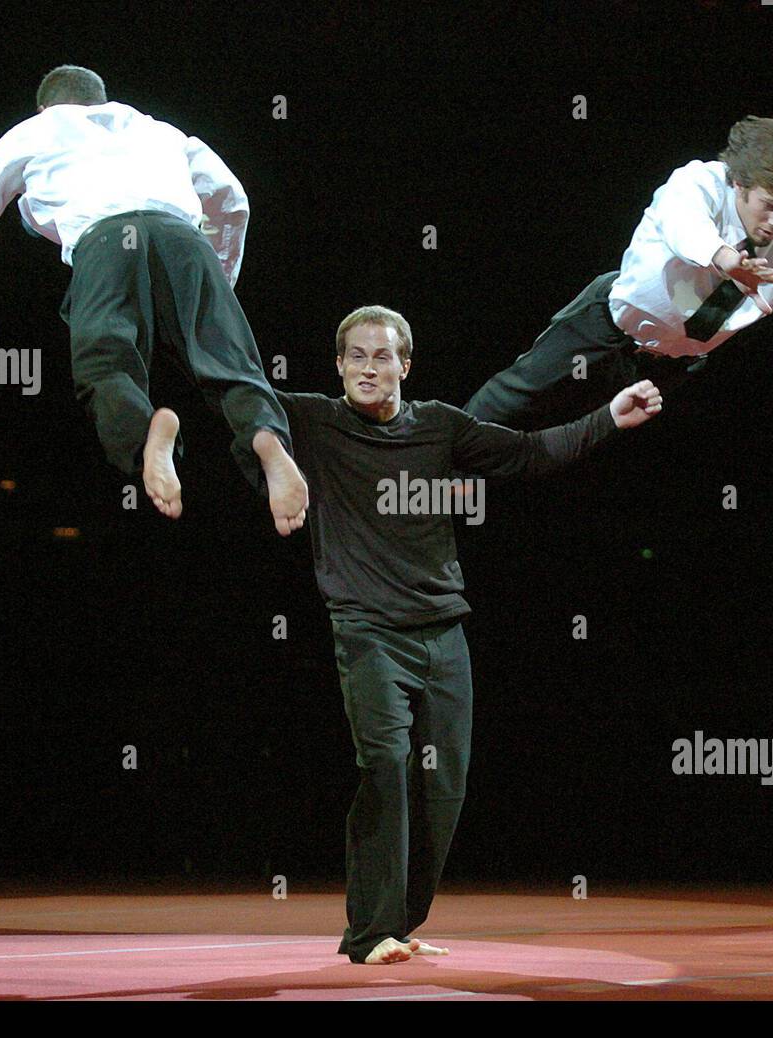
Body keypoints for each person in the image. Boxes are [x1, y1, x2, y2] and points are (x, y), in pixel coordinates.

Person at [276, 305, 662, 964]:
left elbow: (531, 452)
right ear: (338, 365)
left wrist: (609, 417)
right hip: (366, 628)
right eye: (358, 356)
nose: (371, 367)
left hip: (442, 631)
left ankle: (398, 921)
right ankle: (369, 932)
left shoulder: (441, 427)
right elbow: (230, 390)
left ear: (405, 364)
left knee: (444, 786)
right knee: (387, 768)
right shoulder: (309, 420)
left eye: (384, 355)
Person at [0, 64, 308, 534]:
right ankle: (266, 436)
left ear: (46, 107)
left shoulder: (38, 130)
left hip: (105, 240)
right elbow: (232, 200)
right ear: (100, 99)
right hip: (186, 241)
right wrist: (217, 287)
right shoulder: (161, 129)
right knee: (234, 365)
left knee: (106, 363)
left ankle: (146, 438)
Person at [464, 116, 773, 429]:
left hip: (672, 366)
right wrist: (726, 259)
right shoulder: (699, 183)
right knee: (512, 400)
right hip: (606, 327)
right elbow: (681, 223)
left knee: (577, 442)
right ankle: (425, 465)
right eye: (769, 206)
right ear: (739, 182)